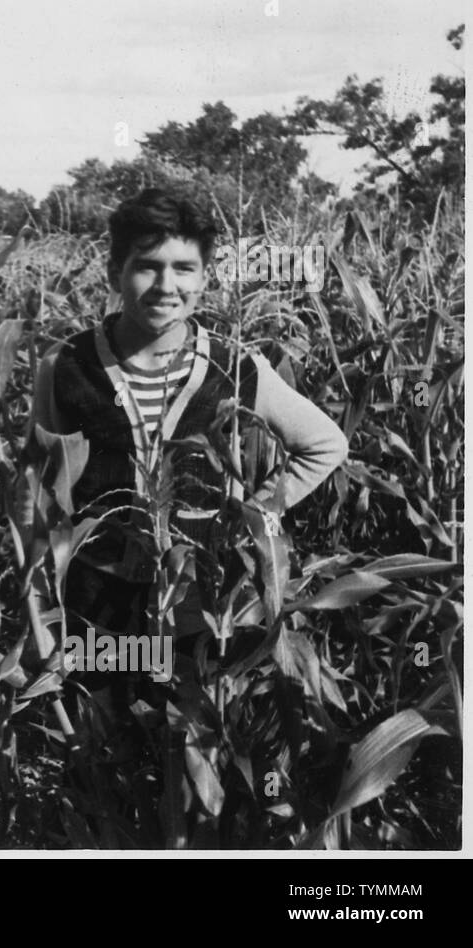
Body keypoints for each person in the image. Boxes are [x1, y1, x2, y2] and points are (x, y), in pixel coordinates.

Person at [26, 188, 349, 698]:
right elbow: (39, 487)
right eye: (147, 266)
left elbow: (325, 445)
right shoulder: (65, 365)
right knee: (107, 740)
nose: (166, 285)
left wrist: (256, 518)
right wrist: (41, 605)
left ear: (204, 277)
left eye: (183, 268)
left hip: (199, 606)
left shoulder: (235, 367)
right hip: (95, 600)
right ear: (115, 273)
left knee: (188, 735)